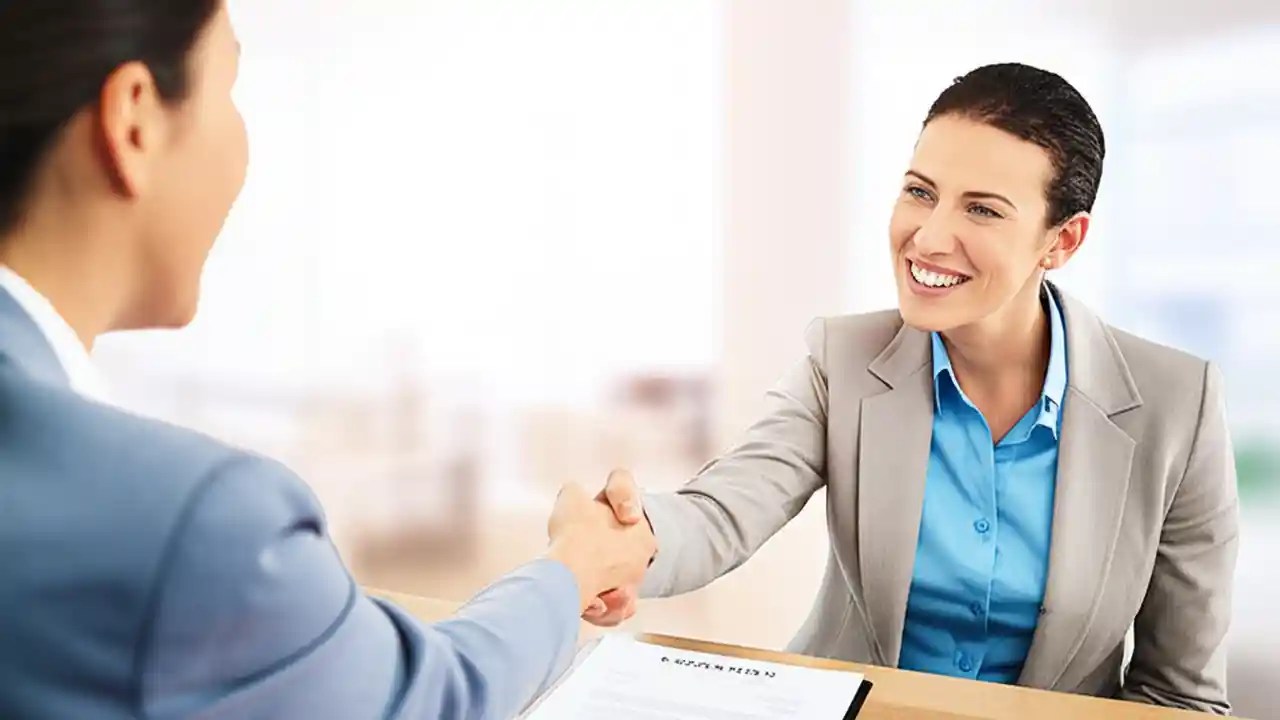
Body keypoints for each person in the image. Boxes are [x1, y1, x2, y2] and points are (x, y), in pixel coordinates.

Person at [0, 2, 655, 718]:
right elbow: (436, 697)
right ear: (135, 122)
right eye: (229, 87)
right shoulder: (198, 525)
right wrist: (576, 563)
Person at [590, 63, 1239, 714]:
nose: (927, 238)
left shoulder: (1178, 408)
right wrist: (631, 539)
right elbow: (724, 511)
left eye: (982, 209)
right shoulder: (843, 360)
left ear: (1061, 241)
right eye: (920, 192)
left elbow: (1177, 697)